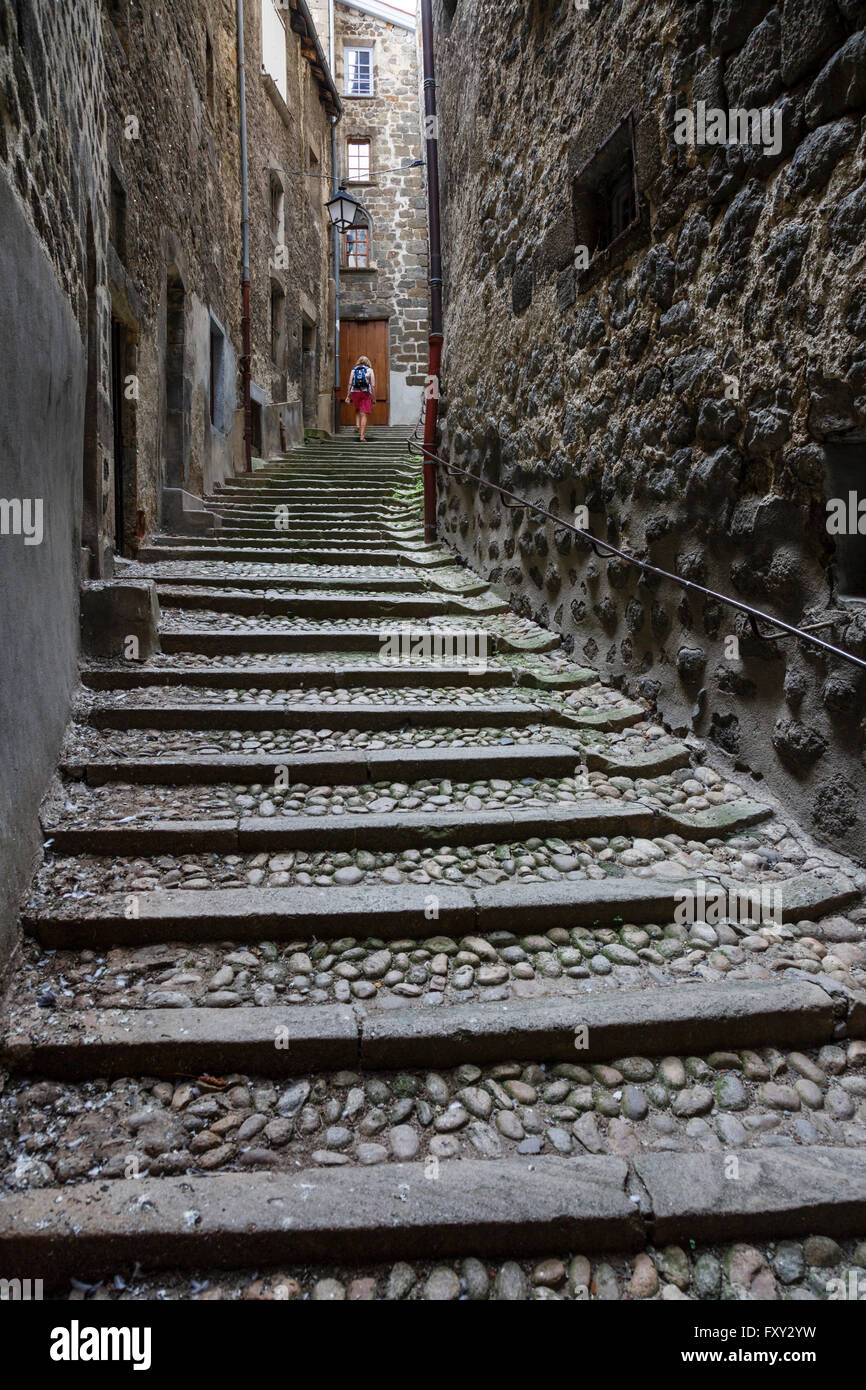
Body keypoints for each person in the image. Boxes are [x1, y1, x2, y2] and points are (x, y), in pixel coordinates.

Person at [345, 355, 376, 441]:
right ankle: (362, 436)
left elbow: (350, 383)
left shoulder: (354, 369)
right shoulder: (369, 370)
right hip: (365, 393)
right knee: (364, 414)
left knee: (357, 409)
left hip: (355, 392)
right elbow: (373, 385)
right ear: (367, 362)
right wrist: (374, 397)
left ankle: (357, 425)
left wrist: (348, 396)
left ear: (359, 361)